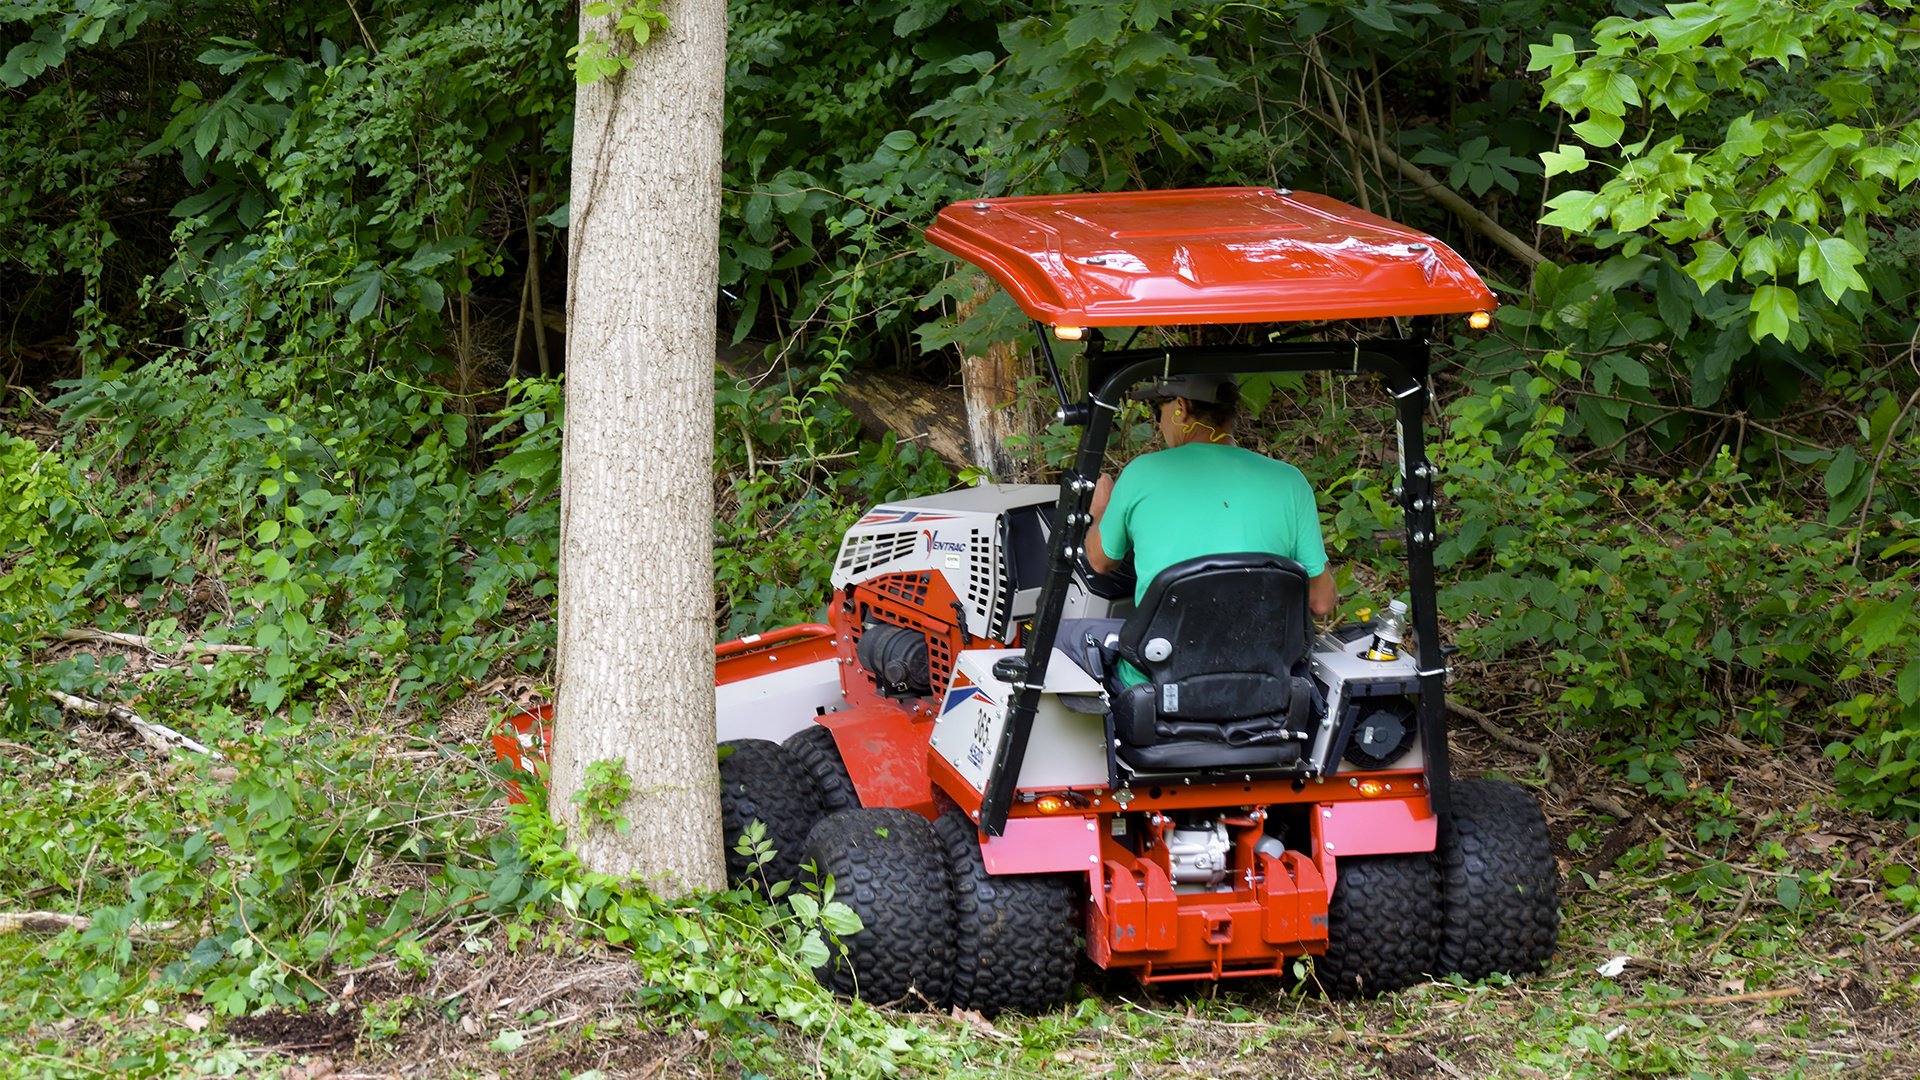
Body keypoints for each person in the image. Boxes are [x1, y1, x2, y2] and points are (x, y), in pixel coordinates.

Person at [1085, 373, 1338, 619]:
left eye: (1157, 411)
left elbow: (1100, 561)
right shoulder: (1290, 481)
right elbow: (1322, 601)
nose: (1159, 423)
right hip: (1267, 658)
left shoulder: (1140, 472)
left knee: (1067, 638)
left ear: (1181, 407)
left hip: (1164, 658)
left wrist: (1099, 513)